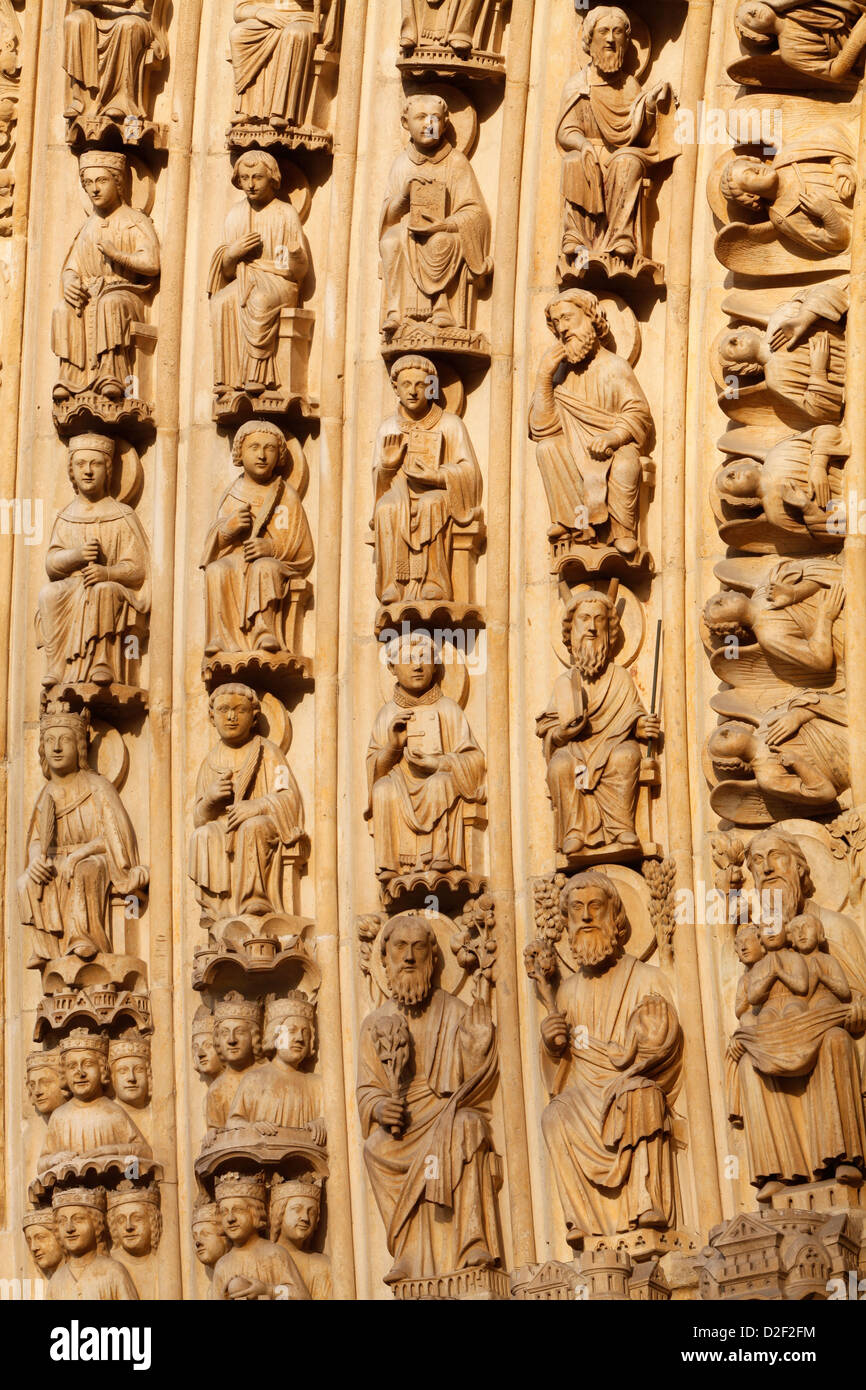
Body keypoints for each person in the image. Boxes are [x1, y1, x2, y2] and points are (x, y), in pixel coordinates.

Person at [357, 914, 502, 1283]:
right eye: (399, 948)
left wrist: (476, 1040)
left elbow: (473, 1084)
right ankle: (407, 1252)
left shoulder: (453, 1011)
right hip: (404, 1127)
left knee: (468, 1126)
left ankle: (472, 1241)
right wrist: (379, 1106)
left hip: (446, 1114)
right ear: (385, 959)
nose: (408, 957)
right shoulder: (375, 1023)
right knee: (374, 1147)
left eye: (418, 947)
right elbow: (367, 1088)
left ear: (433, 959)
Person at [539, 873, 682, 1241]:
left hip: (629, 1085)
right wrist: (553, 1046)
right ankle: (581, 1220)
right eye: (576, 909)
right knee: (555, 1113)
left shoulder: (645, 978)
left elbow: (668, 1050)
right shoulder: (567, 993)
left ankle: (646, 1201)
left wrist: (643, 1050)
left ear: (614, 918)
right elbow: (561, 1076)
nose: (585, 916)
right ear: (567, 922)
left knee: (639, 1093)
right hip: (586, 1095)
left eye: (595, 907)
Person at [530, 289, 652, 555]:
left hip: (612, 445)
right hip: (574, 446)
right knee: (547, 448)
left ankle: (622, 530)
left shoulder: (615, 367)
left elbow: (638, 413)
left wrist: (613, 437)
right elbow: (541, 428)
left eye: (567, 318)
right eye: (556, 323)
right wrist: (543, 377)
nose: (562, 329)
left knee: (625, 462)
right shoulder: (559, 375)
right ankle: (574, 522)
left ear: (590, 318)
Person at [38, 434, 150, 690]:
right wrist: (76, 555)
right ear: (72, 472)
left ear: (108, 471)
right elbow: (51, 564)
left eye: (96, 464)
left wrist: (107, 572)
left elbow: (138, 570)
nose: (87, 471)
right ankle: (57, 666)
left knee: (103, 591)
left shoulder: (122, 515)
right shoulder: (66, 516)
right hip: (73, 588)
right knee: (48, 593)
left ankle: (103, 661)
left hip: (111, 587)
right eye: (80, 464)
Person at [371, 355, 481, 604]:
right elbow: (378, 484)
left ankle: (434, 581)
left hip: (438, 493)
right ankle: (393, 584)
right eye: (406, 384)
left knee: (431, 504)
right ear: (395, 388)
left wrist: (437, 476)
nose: (412, 391)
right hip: (399, 493)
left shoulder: (450, 424)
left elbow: (470, 473)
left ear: (432, 387)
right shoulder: (387, 429)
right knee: (385, 508)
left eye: (421, 385)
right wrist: (387, 466)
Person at [52, 152, 160, 404]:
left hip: (124, 292)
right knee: (63, 309)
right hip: (90, 293)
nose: (94, 189)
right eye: (88, 183)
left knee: (110, 304)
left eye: (101, 181)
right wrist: (70, 283)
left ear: (119, 182)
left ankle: (113, 375)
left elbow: (151, 264)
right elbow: (72, 267)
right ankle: (71, 376)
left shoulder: (134, 220)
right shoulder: (88, 226)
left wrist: (118, 255)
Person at [201, 422, 313, 658]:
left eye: (270, 449)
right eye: (254, 447)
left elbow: (301, 547)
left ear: (280, 455)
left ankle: (264, 630)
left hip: (272, 564)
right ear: (240, 453)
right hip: (236, 561)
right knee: (216, 570)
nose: (262, 455)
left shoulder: (286, 495)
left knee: (265, 567)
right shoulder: (233, 493)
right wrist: (228, 530)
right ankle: (221, 637)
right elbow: (212, 545)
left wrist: (271, 547)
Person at [209, 151, 309, 397]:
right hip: (245, 276)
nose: (250, 185)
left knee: (260, 300)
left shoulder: (285, 213)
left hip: (278, 280)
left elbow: (292, 270)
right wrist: (232, 254)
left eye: (257, 177)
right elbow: (226, 272)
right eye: (244, 178)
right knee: (221, 301)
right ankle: (229, 377)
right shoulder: (236, 214)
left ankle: (258, 374)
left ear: (272, 179)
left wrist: (293, 256)